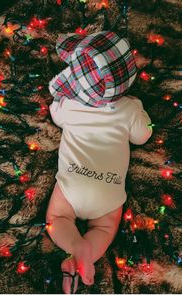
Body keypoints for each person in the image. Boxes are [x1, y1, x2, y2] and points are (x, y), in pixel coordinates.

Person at [46, 31, 152, 294]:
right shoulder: (129, 108)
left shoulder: (69, 105)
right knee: (105, 229)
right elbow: (144, 135)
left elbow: (55, 113)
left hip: (73, 182)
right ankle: (86, 254)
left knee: (57, 218)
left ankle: (76, 248)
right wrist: (142, 114)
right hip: (108, 190)